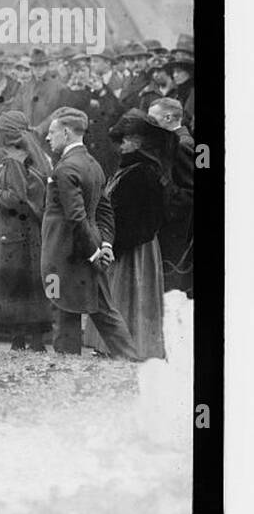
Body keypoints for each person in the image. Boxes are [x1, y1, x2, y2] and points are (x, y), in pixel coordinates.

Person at [41, 107, 140, 359]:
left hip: (66, 251)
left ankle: (66, 364)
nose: (48, 137)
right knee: (104, 310)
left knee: (63, 308)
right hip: (90, 245)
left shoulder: (65, 169)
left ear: (65, 132)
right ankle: (130, 361)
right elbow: (105, 209)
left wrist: (94, 253)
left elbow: (75, 217)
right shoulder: (93, 164)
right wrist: (104, 244)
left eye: (52, 132)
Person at [86, 109, 174, 359]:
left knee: (129, 295)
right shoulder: (131, 168)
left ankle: (132, 347)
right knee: (118, 293)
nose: (121, 145)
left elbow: (144, 219)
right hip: (122, 242)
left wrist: (114, 242)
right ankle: (114, 346)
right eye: (121, 139)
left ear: (140, 141)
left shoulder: (145, 172)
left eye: (126, 139)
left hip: (135, 247)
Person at [0, 110, 52, 351]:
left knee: (13, 285)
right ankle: (34, 339)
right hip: (30, 231)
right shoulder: (36, 155)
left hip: (11, 232)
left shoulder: (13, 160)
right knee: (30, 284)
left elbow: (16, 198)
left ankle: (19, 338)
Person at [147, 97, 194, 296]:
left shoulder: (181, 145)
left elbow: (189, 191)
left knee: (173, 290)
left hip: (176, 230)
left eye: (152, 119)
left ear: (167, 117)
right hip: (174, 226)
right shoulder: (179, 142)